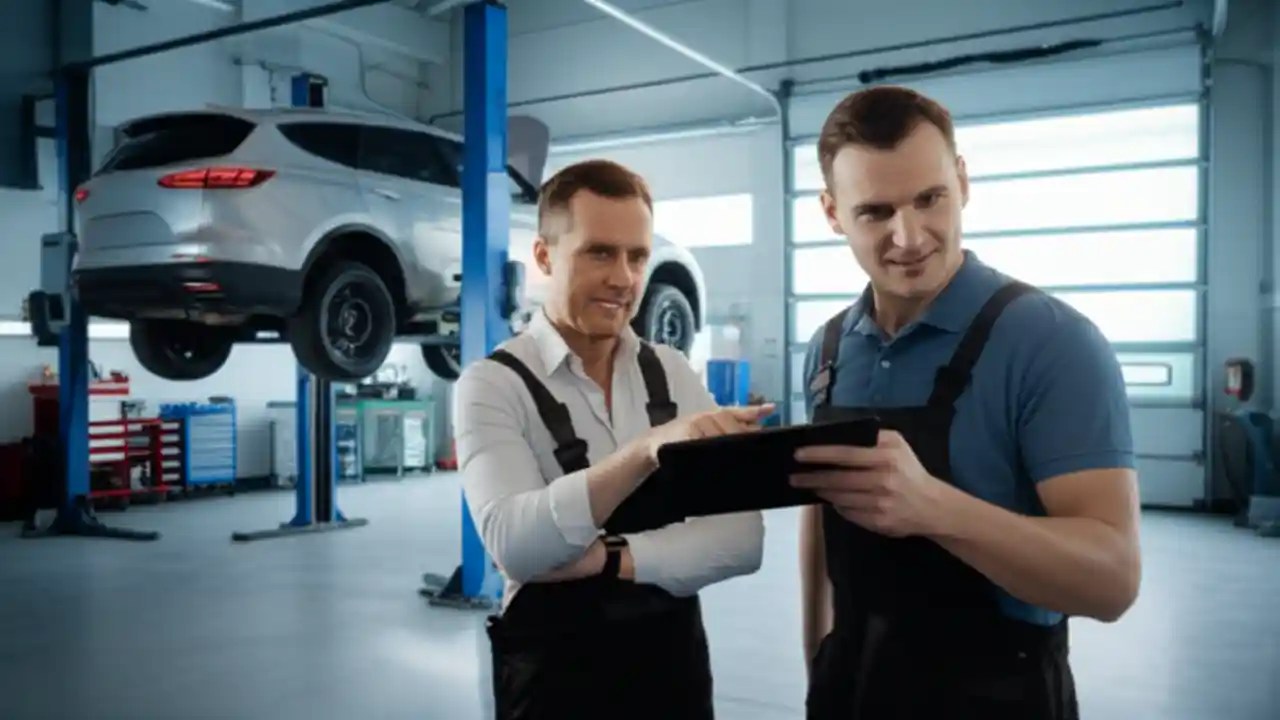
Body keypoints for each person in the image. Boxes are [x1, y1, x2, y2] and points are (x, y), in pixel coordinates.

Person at [790, 85, 1142, 719]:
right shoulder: (828, 348)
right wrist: (819, 661)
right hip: (852, 686)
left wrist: (933, 509)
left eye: (930, 199)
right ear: (832, 213)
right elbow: (819, 523)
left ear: (962, 181)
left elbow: (1113, 581)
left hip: (997, 695)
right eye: (875, 211)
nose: (908, 237)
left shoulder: (1052, 343)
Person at [454, 158, 771, 720]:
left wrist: (606, 558)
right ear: (545, 256)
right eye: (600, 253)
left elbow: (743, 539)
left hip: (672, 675)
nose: (624, 278)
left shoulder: (670, 372)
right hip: (553, 684)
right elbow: (517, 546)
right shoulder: (492, 385)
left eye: (637, 256)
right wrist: (646, 452)